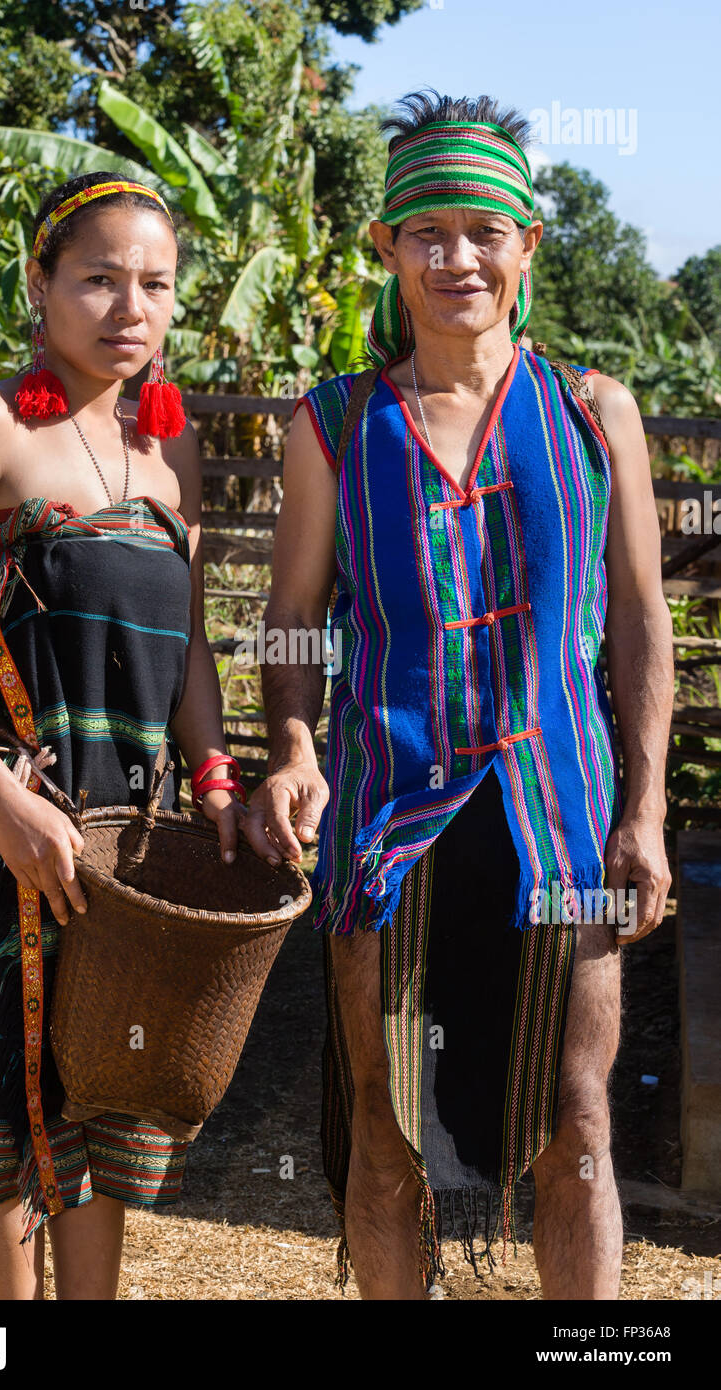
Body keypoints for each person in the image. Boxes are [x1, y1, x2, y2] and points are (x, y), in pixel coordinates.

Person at [243, 91, 674, 1299]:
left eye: (483, 229)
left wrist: (639, 813)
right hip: (388, 818)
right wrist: (288, 743)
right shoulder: (334, 423)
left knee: (577, 1124)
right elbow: (290, 618)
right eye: (424, 230)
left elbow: (639, 619)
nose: (455, 258)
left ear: (527, 245)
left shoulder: (594, 412)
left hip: (560, 816)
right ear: (385, 248)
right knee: (385, 1146)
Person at [0, 173, 260, 1300]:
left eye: (154, 285)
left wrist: (217, 778)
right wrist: (1, 798)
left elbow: (187, 648)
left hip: (122, 831)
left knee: (104, 1075)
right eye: (96, 278)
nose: (127, 308)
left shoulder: (164, 454)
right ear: (39, 285)